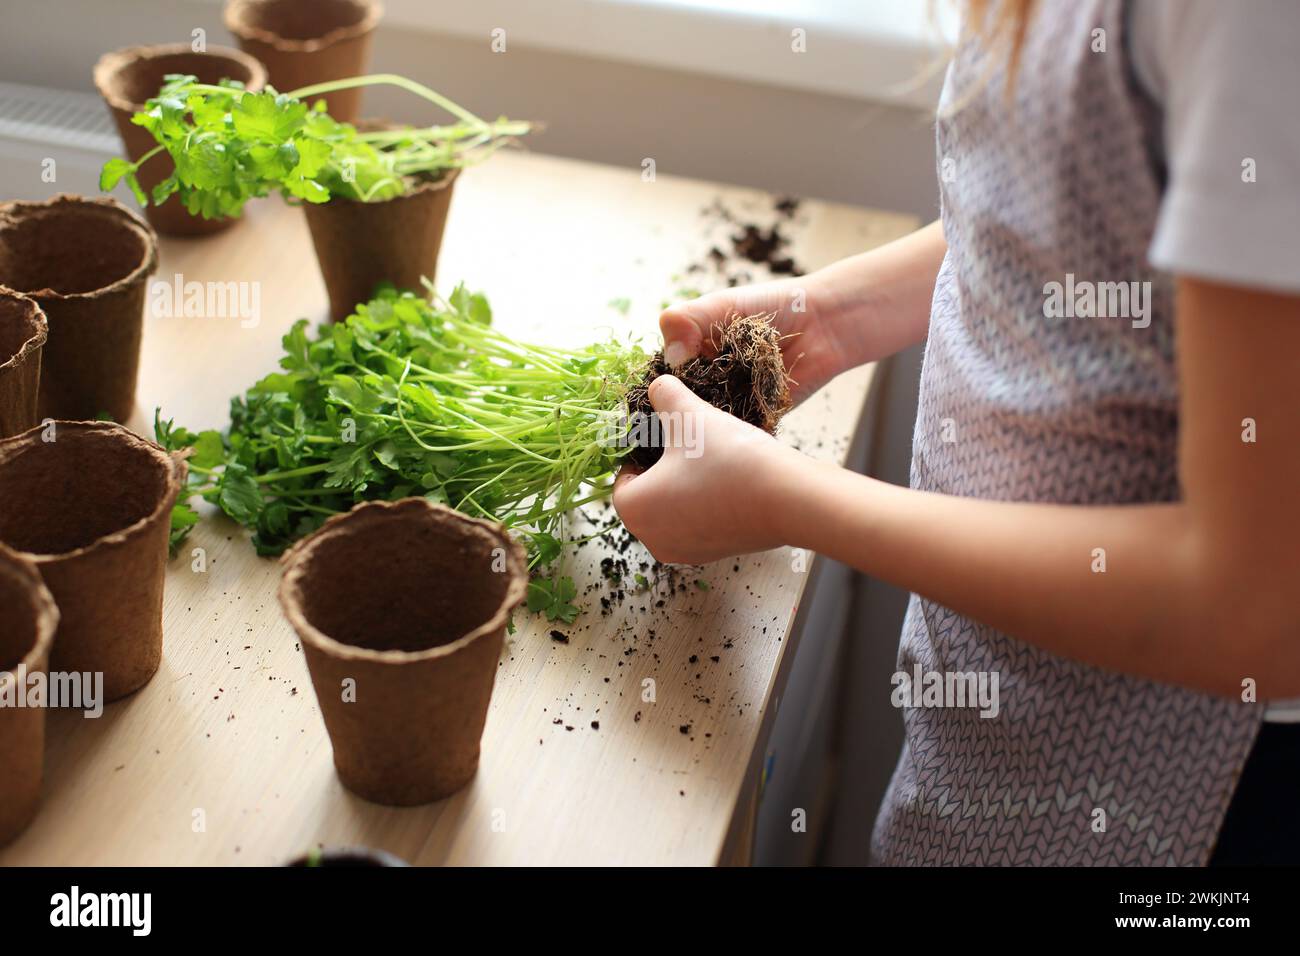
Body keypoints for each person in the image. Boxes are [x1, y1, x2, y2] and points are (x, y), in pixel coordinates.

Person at [613, 0, 1300, 866]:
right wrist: (828, 317)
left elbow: (1262, 607)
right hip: (1012, 727)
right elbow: (1086, 217)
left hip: (1203, 805)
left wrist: (786, 499)